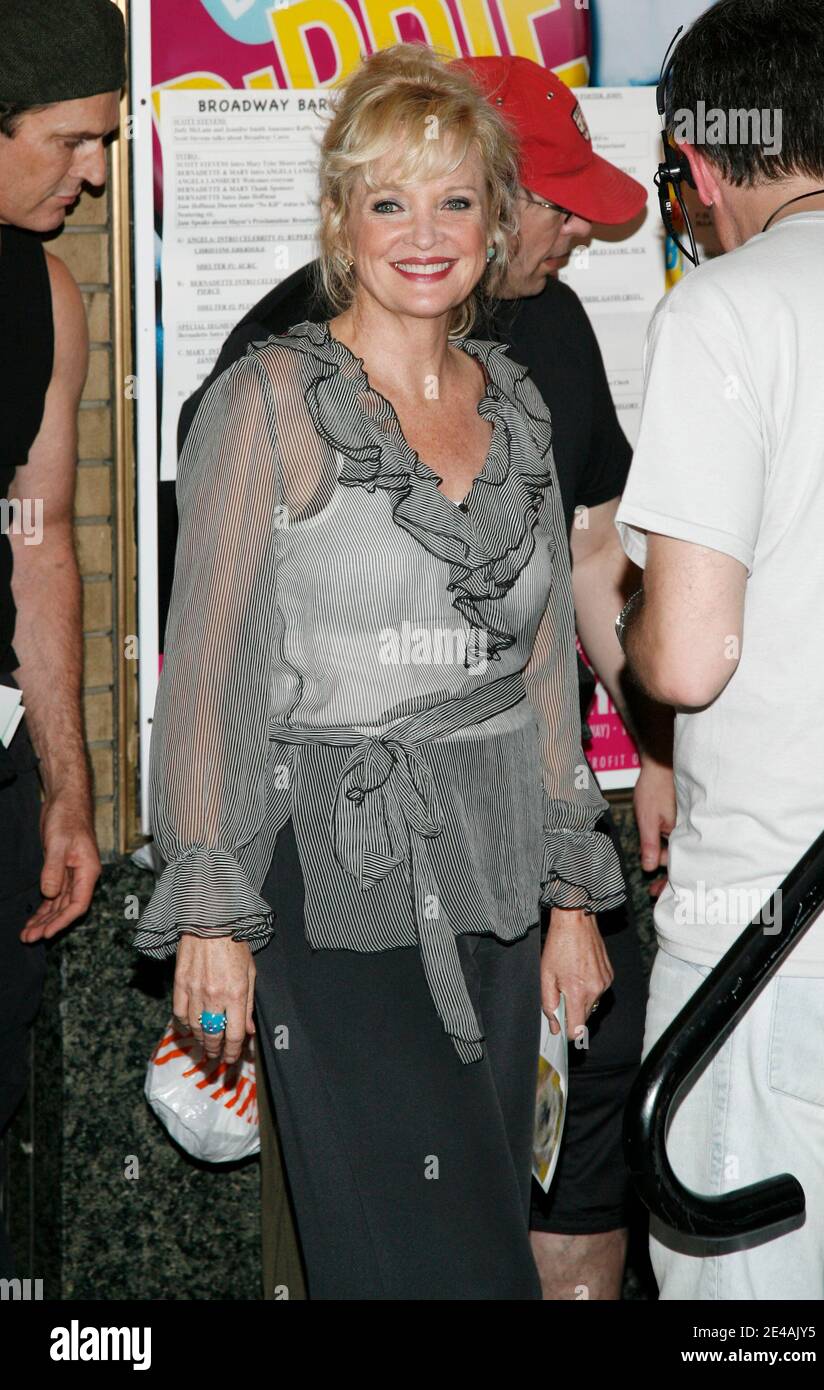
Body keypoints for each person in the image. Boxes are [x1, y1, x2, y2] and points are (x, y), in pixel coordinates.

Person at [134, 42, 627, 1300]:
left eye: (455, 199)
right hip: (334, 878)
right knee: (418, 1260)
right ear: (342, 222)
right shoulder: (270, 402)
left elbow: (537, 678)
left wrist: (573, 896)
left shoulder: (513, 401)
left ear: (494, 217)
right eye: (389, 201)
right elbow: (208, 678)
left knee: (479, 1229)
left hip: (500, 875)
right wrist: (209, 913)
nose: (425, 232)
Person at [615, 0, 824, 1300]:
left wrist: (628, 608)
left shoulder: (722, 311)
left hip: (773, 942)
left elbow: (689, 656)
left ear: (702, 164)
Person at [0, 0, 124, 1278]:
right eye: (70, 141)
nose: (93, 172)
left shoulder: (43, 293)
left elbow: (38, 545)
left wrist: (68, 794)